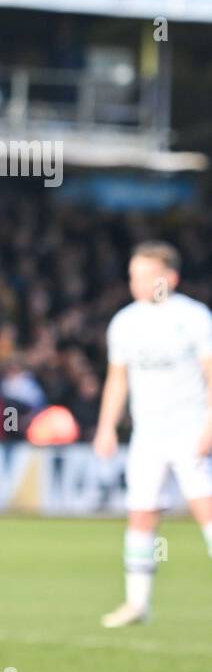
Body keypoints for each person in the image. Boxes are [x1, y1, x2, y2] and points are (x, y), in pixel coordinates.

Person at [93, 241, 212, 628]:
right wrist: (107, 426)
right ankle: (137, 604)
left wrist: (210, 425)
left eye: (146, 275)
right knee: (141, 515)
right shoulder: (125, 322)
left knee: (206, 512)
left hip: (190, 427)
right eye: (133, 275)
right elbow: (117, 380)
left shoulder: (194, 318)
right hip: (148, 433)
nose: (137, 283)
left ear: (170, 278)